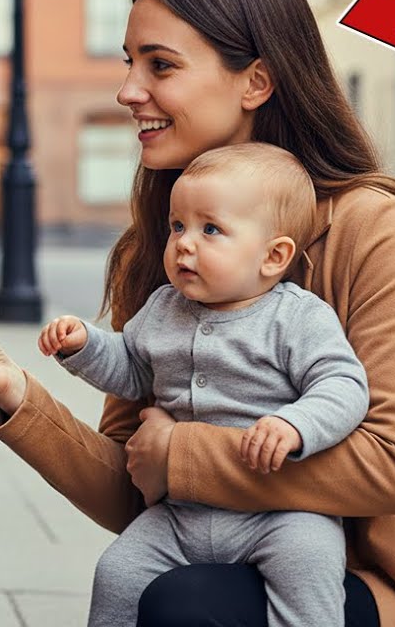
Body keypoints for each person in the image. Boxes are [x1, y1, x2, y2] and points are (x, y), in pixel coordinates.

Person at [0, 0, 395, 627]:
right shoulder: (168, 247)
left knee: (182, 603)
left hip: (360, 583)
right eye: (128, 62)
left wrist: (183, 453)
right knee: (141, 585)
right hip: (210, 549)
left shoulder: (371, 226)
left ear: (254, 81)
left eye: (160, 65)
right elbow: (134, 493)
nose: (129, 89)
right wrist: (14, 391)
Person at [39, 143, 369, 626]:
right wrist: (84, 345)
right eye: (178, 226)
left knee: (309, 563)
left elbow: (343, 384)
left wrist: (295, 425)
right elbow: (131, 370)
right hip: (182, 514)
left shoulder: (296, 317)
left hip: (280, 512)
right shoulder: (163, 307)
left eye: (210, 229)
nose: (184, 243)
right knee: (117, 571)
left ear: (273, 256)